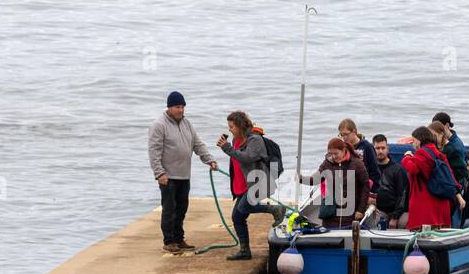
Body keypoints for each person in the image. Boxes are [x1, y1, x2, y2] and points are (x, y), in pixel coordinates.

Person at [148, 91, 217, 254]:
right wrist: (159, 173)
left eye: (183, 107)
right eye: (177, 107)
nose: (181, 110)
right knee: (169, 209)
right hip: (168, 176)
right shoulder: (159, 125)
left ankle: (179, 238)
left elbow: (198, 144)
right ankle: (169, 241)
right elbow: (154, 151)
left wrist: (210, 160)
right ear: (169, 107)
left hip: (184, 175)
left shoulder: (187, 124)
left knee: (182, 208)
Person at [217, 111, 285, 261]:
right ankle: (244, 250)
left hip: (259, 181)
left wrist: (227, 148)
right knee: (237, 216)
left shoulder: (255, 139)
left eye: (232, 127)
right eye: (228, 127)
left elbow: (248, 157)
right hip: (243, 184)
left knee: (243, 208)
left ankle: (275, 209)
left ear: (240, 126)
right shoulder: (235, 140)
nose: (230, 130)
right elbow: (235, 160)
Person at [300, 137, 369, 228]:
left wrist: (361, 210)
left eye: (336, 153)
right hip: (330, 214)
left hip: (351, 214)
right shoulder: (327, 163)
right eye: (331, 153)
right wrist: (301, 179)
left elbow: (365, 186)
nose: (333, 156)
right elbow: (315, 179)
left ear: (344, 150)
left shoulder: (357, 163)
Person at [400, 126, 455, 231]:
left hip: (426, 207)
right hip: (441, 203)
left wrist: (406, 158)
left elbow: (413, 169)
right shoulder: (438, 153)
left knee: (422, 236)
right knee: (439, 235)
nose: (413, 144)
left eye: (413, 141)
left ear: (419, 140)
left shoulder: (422, 153)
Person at [429, 120, 467, 226]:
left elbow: (462, 171)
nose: (432, 138)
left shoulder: (451, 150)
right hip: (444, 185)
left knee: (453, 215)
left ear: (441, 134)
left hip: (455, 184)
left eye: (434, 135)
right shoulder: (437, 149)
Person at [370, 133, 408, 229]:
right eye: (377, 148)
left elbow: (403, 195)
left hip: (399, 211)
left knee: (403, 223)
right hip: (378, 209)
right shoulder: (369, 169)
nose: (380, 151)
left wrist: (395, 216)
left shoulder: (397, 169)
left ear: (388, 149)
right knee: (373, 222)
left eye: (383, 148)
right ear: (372, 150)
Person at [338, 118, 381, 194]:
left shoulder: (367, 146)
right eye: (341, 135)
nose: (344, 138)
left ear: (354, 132)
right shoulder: (343, 147)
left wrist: (374, 192)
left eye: (346, 134)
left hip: (365, 188)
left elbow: (375, 171)